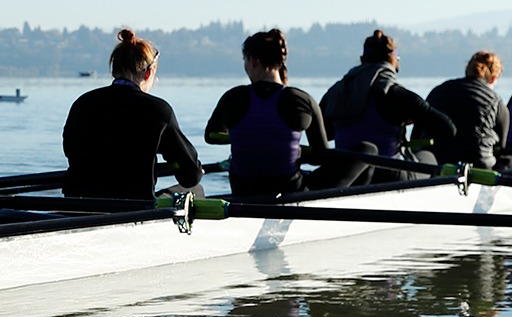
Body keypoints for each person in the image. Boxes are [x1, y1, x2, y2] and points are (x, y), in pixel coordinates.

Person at [205, 28, 360, 196]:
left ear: (253, 61)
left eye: (245, 60)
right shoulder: (302, 99)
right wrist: (297, 152)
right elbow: (321, 157)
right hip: (289, 189)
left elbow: (210, 135)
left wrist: (248, 139)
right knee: (367, 149)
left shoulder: (232, 98)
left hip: (242, 189)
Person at [63, 29, 203, 200]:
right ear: (148, 73)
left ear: (114, 71)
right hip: (132, 209)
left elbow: (70, 152)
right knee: (197, 191)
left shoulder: (83, 103)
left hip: (77, 204)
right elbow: (190, 177)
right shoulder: (158, 110)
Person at [319, 29, 455, 183]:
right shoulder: (397, 95)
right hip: (388, 174)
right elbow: (447, 129)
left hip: (346, 171)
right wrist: (412, 119)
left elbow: (326, 134)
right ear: (393, 61)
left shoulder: (336, 92)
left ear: (362, 59)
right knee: (428, 157)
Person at [424, 51, 509, 168]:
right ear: (493, 79)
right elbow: (502, 147)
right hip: (479, 162)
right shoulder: (496, 102)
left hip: (437, 161)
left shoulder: (439, 90)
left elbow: (417, 132)